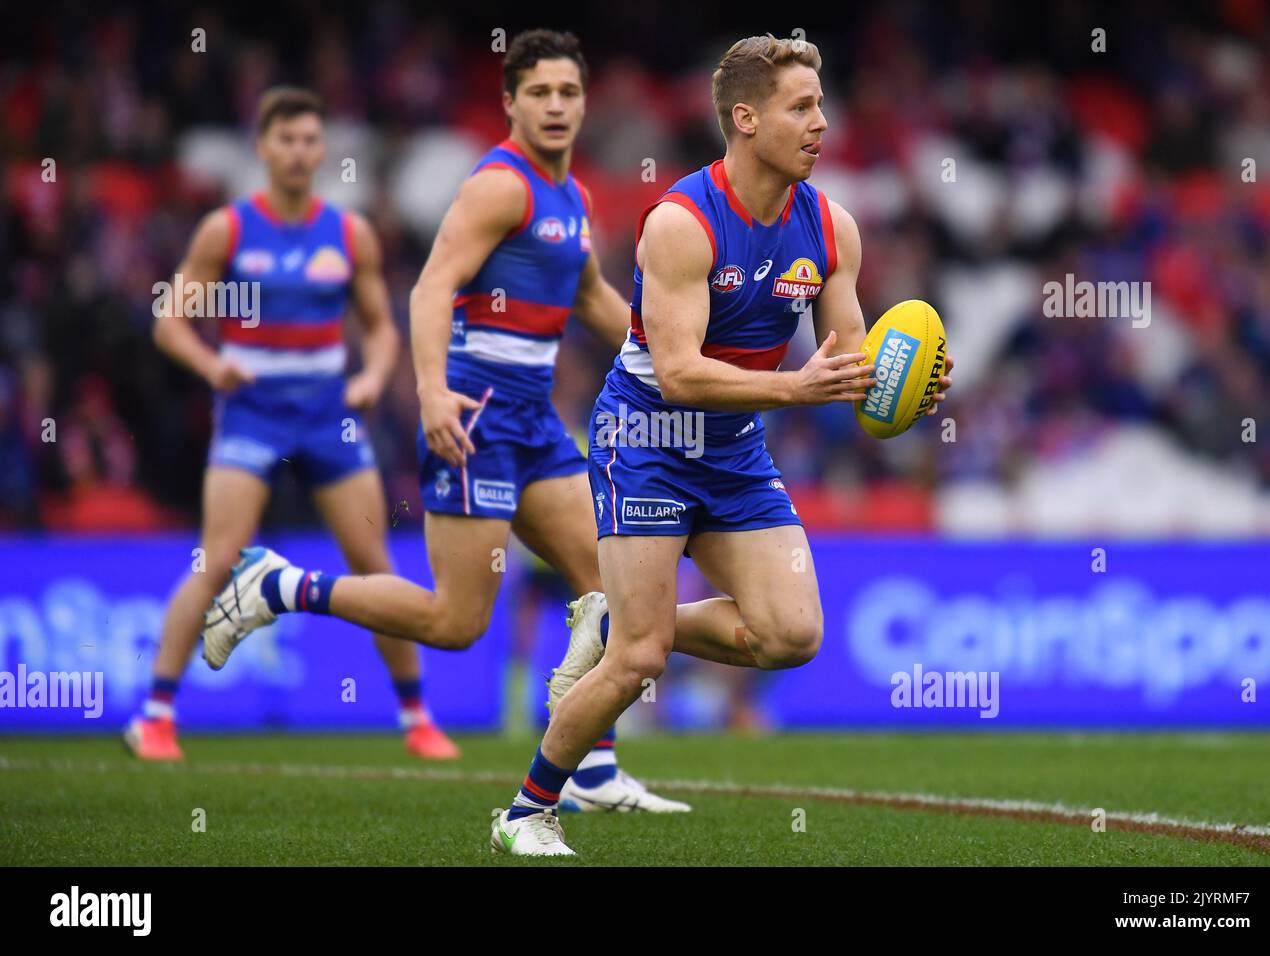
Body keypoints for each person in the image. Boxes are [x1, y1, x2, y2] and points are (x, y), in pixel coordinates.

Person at [488, 34, 955, 855]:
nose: (821, 123)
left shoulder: (834, 227)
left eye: (820, 104)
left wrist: (901, 390)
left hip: (735, 446)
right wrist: (795, 387)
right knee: (641, 660)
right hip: (648, 437)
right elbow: (676, 374)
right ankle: (527, 811)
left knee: (792, 636)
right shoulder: (681, 222)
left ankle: (612, 628)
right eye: (801, 107)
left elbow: (847, 369)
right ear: (746, 119)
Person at [201, 30, 688, 813]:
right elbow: (430, 290)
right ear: (509, 103)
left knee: (610, 589)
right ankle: (279, 584)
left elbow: (592, 295)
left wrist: (669, 352)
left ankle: (592, 770)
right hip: (476, 417)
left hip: (533, 421)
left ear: (584, 101)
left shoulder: (574, 195)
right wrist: (430, 393)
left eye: (568, 92)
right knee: (455, 621)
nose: (556, 106)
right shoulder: (499, 185)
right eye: (539, 93)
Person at [126, 87, 457, 761]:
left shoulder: (349, 232)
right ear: (262, 148)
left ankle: (416, 719)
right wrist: (210, 365)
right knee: (216, 560)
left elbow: (380, 327)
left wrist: (370, 377)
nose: (301, 151)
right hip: (250, 411)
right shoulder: (228, 229)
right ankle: (155, 715)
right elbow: (170, 321)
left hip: (328, 415)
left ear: (322, 150)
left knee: (370, 560)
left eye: (311, 140)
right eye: (287, 139)